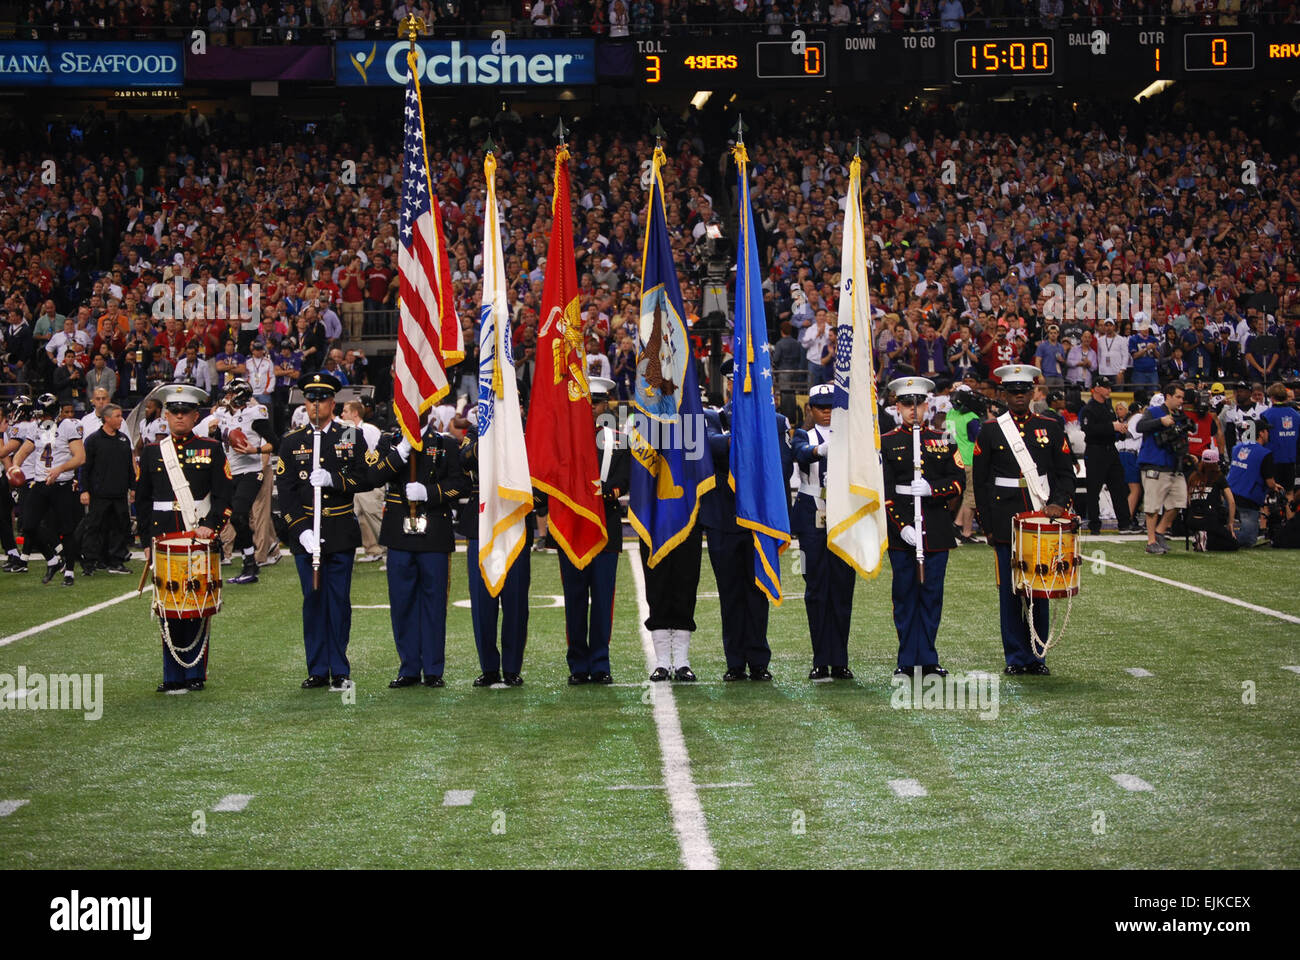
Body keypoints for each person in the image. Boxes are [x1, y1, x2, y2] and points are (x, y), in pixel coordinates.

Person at [972, 364, 1074, 675]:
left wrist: (1057, 504)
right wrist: (988, 526)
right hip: (1005, 519)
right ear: (1003, 394)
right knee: (1010, 591)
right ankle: (1016, 657)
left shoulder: (1051, 426)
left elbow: (1065, 474)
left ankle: (1037, 655)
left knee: (1039, 587)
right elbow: (981, 481)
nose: (1018, 396)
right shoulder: (990, 430)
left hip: (1041, 515)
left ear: (1033, 393)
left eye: (1024, 391)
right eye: (1012, 391)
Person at [276, 372, 373, 690]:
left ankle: (339, 667)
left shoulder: (350, 436)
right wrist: (300, 530)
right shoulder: (292, 442)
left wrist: (335, 480)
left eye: (321, 399)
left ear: (334, 402)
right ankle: (317, 668)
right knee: (313, 602)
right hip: (307, 533)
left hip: (339, 529)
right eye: (310, 399)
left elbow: (364, 478)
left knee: (339, 602)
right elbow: (286, 492)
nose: (315, 405)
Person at [134, 383, 233, 692]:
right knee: (169, 607)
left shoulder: (212, 449)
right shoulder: (152, 453)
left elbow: (224, 496)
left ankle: (194, 674)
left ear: (195, 415)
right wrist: (147, 543)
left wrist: (211, 526)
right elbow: (142, 500)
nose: (179, 417)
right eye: (173, 411)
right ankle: (172, 675)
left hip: (198, 538)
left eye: (185, 412)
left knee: (195, 606)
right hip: (164, 540)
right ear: (166, 415)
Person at [701, 361, 792, 683]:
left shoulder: (775, 421)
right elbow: (706, 450)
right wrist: (748, 441)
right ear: (728, 384)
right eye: (735, 381)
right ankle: (734, 661)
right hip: (722, 520)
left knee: (757, 591)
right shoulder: (712, 417)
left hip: (759, 522)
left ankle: (758, 660)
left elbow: (783, 468)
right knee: (730, 594)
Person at [369, 418, 466, 689]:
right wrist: (399, 454)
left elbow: (460, 484)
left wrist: (430, 492)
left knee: (434, 605)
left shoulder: (445, 443)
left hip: (433, 533)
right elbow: (373, 475)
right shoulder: (389, 442)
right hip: (399, 535)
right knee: (402, 604)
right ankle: (409, 667)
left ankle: (433, 669)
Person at [880, 375, 964, 676]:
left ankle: (928, 658)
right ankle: (906, 660)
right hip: (903, 530)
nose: (913, 409)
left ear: (927, 404)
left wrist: (933, 489)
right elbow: (885, 491)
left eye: (918, 403)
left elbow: (957, 481)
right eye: (907, 403)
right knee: (904, 596)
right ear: (897, 406)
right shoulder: (887, 442)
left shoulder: (943, 439)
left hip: (935, 527)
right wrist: (902, 525)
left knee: (931, 596)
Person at [454, 415, 537, 685]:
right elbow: (464, 458)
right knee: (482, 600)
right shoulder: (479, 431)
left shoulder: (531, 432)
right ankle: (489, 667)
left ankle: (512, 668)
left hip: (515, 520)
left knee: (515, 601)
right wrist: (490, 437)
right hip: (483, 520)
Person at [558, 377, 629, 685]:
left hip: (605, 528)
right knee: (574, 599)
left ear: (605, 406)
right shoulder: (563, 440)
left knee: (602, 600)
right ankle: (577, 664)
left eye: (597, 404)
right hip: (572, 528)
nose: (591, 410)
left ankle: (600, 662)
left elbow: (623, 480)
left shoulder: (618, 440)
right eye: (587, 404)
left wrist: (604, 492)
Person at [791, 383, 857, 679]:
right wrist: (821, 449)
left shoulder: (850, 434)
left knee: (842, 588)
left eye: (832, 407)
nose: (827, 412)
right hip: (813, 513)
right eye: (821, 407)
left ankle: (840, 659)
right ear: (811, 409)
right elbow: (801, 454)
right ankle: (820, 658)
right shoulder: (804, 433)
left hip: (843, 512)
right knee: (816, 588)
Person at [13, 394, 85, 586]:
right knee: (28, 525)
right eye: (41, 414)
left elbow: (80, 457)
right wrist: (15, 466)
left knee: (67, 530)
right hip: (40, 483)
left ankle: (69, 571)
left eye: (45, 414)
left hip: (61, 484)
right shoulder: (36, 428)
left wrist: (60, 469)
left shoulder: (68, 426)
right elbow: (22, 452)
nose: (42, 418)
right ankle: (53, 560)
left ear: (54, 412)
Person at [222, 379, 278, 585]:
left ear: (239, 395)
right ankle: (246, 560)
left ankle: (249, 562)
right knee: (228, 517)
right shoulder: (223, 416)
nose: (226, 397)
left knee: (238, 515)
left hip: (251, 471)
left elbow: (275, 442)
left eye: (229, 393)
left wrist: (254, 450)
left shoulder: (255, 414)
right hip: (231, 472)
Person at [1134, 382, 1190, 554]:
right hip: (1154, 463)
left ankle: (1159, 532)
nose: (1181, 401)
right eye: (1178, 397)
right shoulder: (1154, 412)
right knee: (1152, 506)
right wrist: (1160, 421)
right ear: (1168, 396)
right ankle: (1151, 542)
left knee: (1180, 501)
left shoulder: (1180, 415)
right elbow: (1139, 427)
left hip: (1174, 465)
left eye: (1182, 397)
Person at [79, 403, 134, 575]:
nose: (120, 419)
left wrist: (133, 487)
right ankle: (89, 562)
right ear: (107, 418)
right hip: (99, 493)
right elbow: (85, 468)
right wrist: (84, 489)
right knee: (94, 527)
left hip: (119, 493)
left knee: (120, 526)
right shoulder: (93, 440)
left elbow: (129, 467)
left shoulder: (124, 439)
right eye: (117, 416)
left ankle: (116, 561)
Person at [1077, 376, 1132, 535]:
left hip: (1111, 450)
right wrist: (1111, 427)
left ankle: (1124, 523)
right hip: (1095, 451)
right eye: (1106, 387)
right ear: (1097, 388)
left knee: (1119, 488)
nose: (1109, 390)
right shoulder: (1089, 409)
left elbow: (1111, 429)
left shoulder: (1108, 407)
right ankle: (1094, 525)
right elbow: (1088, 430)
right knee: (1094, 490)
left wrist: (1120, 430)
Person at [340, 399, 385, 564]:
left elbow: (381, 453)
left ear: (355, 413)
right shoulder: (348, 430)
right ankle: (372, 550)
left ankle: (389, 553)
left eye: (345, 411)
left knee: (374, 517)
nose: (342, 414)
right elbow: (345, 457)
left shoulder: (370, 429)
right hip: (355, 482)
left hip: (371, 480)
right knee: (359, 518)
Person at [1226, 418, 1282, 548]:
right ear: (1261, 433)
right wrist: (1275, 486)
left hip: (1229, 493)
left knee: (1228, 525)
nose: (1268, 434)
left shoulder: (1237, 447)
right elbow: (1269, 482)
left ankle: (1225, 536)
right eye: (1267, 431)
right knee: (1248, 540)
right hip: (1248, 497)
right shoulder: (1265, 453)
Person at [1186, 448, 1238, 552]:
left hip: (1191, 519)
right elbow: (1231, 501)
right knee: (1232, 543)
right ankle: (1206, 542)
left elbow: (1188, 501)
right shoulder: (1218, 477)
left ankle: (1200, 537)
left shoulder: (1193, 476)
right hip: (1209, 519)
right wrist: (1231, 523)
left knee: (1215, 534)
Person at [1260, 383, 1298, 492]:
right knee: (1289, 492)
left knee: (1271, 494)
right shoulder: (1296, 415)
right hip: (1291, 460)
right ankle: (1289, 509)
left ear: (1271, 397)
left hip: (1272, 460)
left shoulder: (1265, 415)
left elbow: (1258, 439)